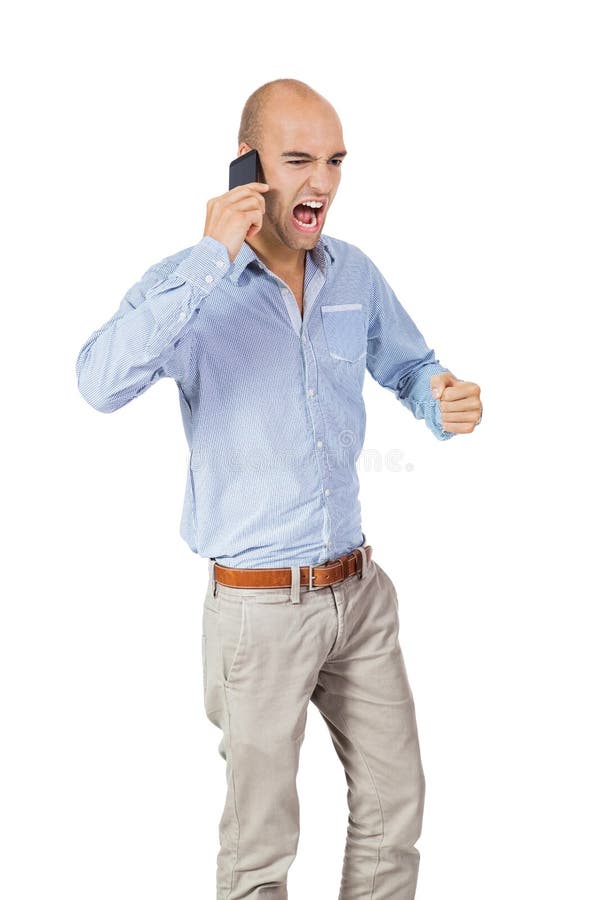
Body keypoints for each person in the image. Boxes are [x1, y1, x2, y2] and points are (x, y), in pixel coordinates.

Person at [76, 78, 482, 900]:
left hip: (359, 594)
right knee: (261, 845)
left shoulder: (354, 272)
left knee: (395, 806)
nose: (323, 183)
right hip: (259, 613)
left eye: (335, 161)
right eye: (299, 161)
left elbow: (407, 363)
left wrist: (441, 397)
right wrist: (207, 257)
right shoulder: (193, 288)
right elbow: (97, 381)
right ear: (247, 166)